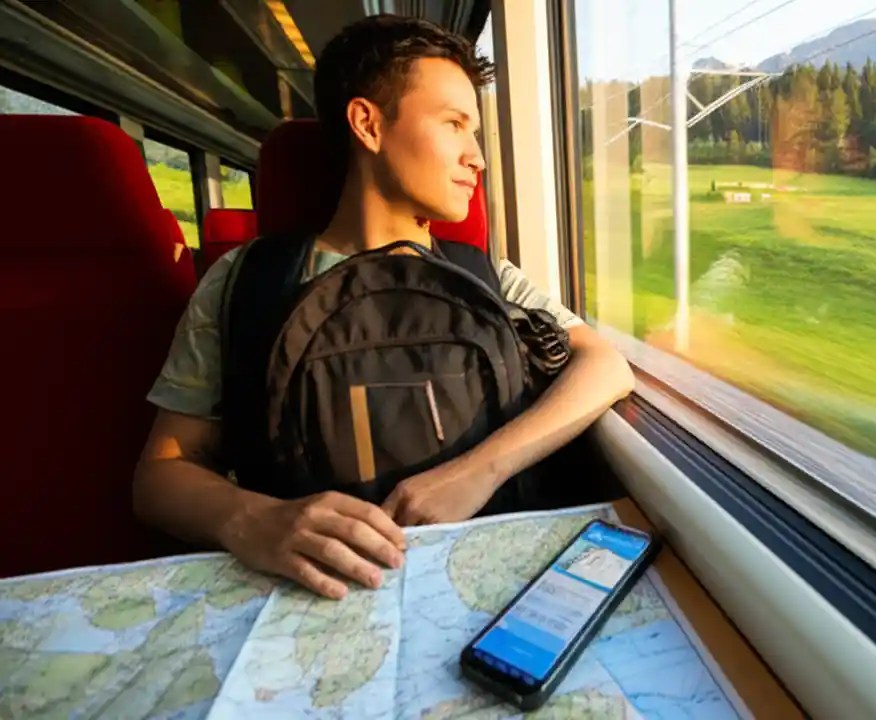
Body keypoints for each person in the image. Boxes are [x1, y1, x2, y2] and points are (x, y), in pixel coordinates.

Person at [133, 15, 634, 601]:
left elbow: (606, 366)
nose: (478, 157)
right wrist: (254, 519)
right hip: (314, 587)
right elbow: (160, 476)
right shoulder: (245, 282)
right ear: (368, 125)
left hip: (473, 581)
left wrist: (478, 471)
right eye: (454, 125)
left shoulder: (487, 277)